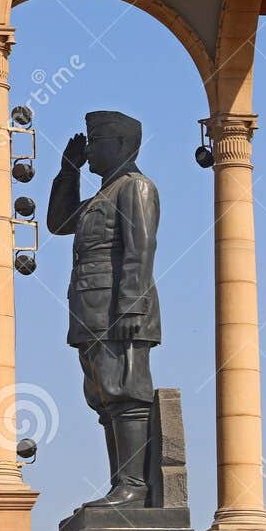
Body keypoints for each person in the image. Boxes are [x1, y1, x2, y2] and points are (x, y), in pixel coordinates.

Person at [47, 111, 160, 506]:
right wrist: (68, 171)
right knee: (103, 396)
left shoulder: (135, 188)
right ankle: (121, 485)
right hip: (92, 311)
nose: (89, 150)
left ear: (122, 145)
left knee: (125, 391)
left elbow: (140, 249)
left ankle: (134, 486)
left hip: (119, 312)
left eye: (96, 143)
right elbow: (59, 224)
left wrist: (131, 308)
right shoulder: (102, 195)